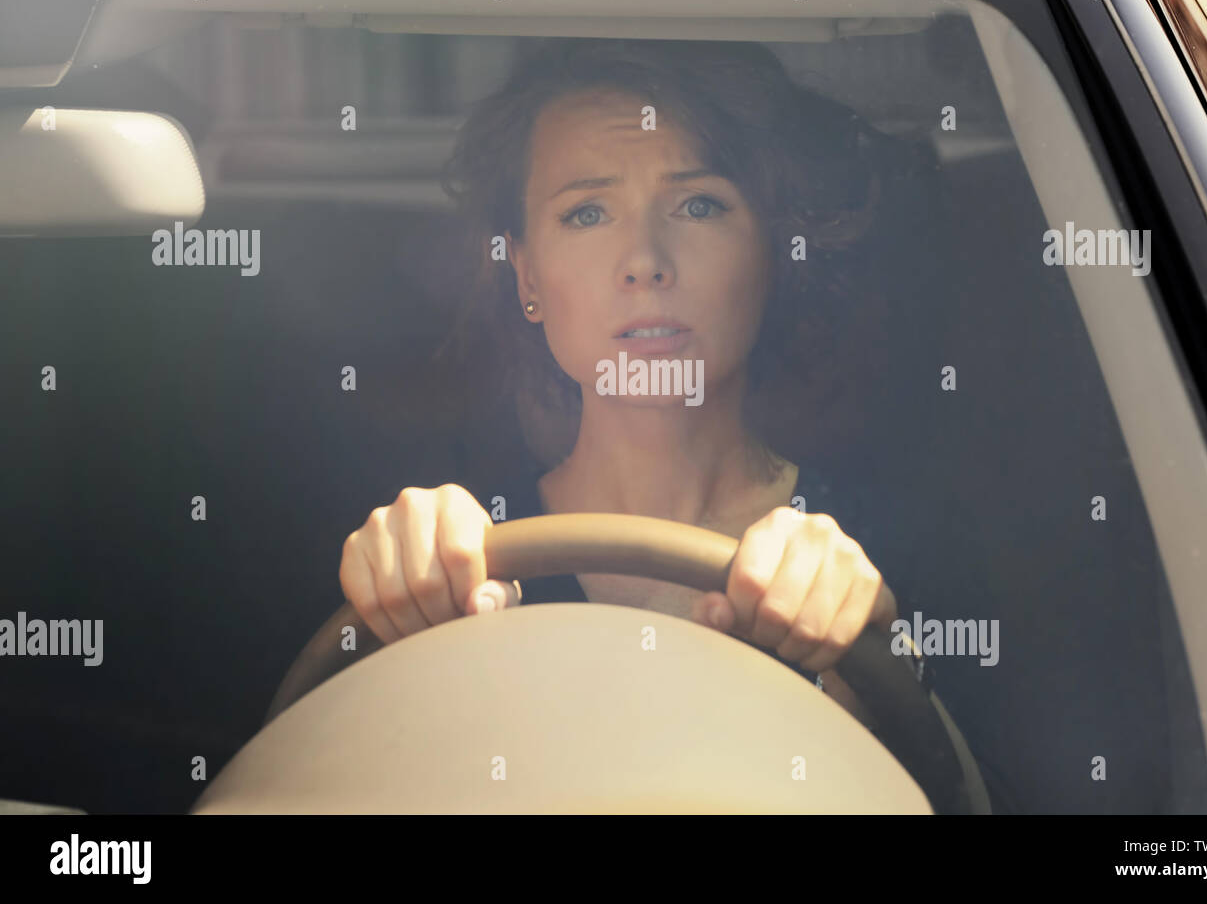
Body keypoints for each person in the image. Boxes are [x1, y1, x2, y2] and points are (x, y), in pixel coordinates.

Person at [338, 37, 916, 734]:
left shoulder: (886, 543)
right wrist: (401, 600)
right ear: (526, 276)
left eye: (700, 205)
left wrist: (872, 662)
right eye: (587, 213)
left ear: (773, 254)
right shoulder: (461, 560)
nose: (644, 261)